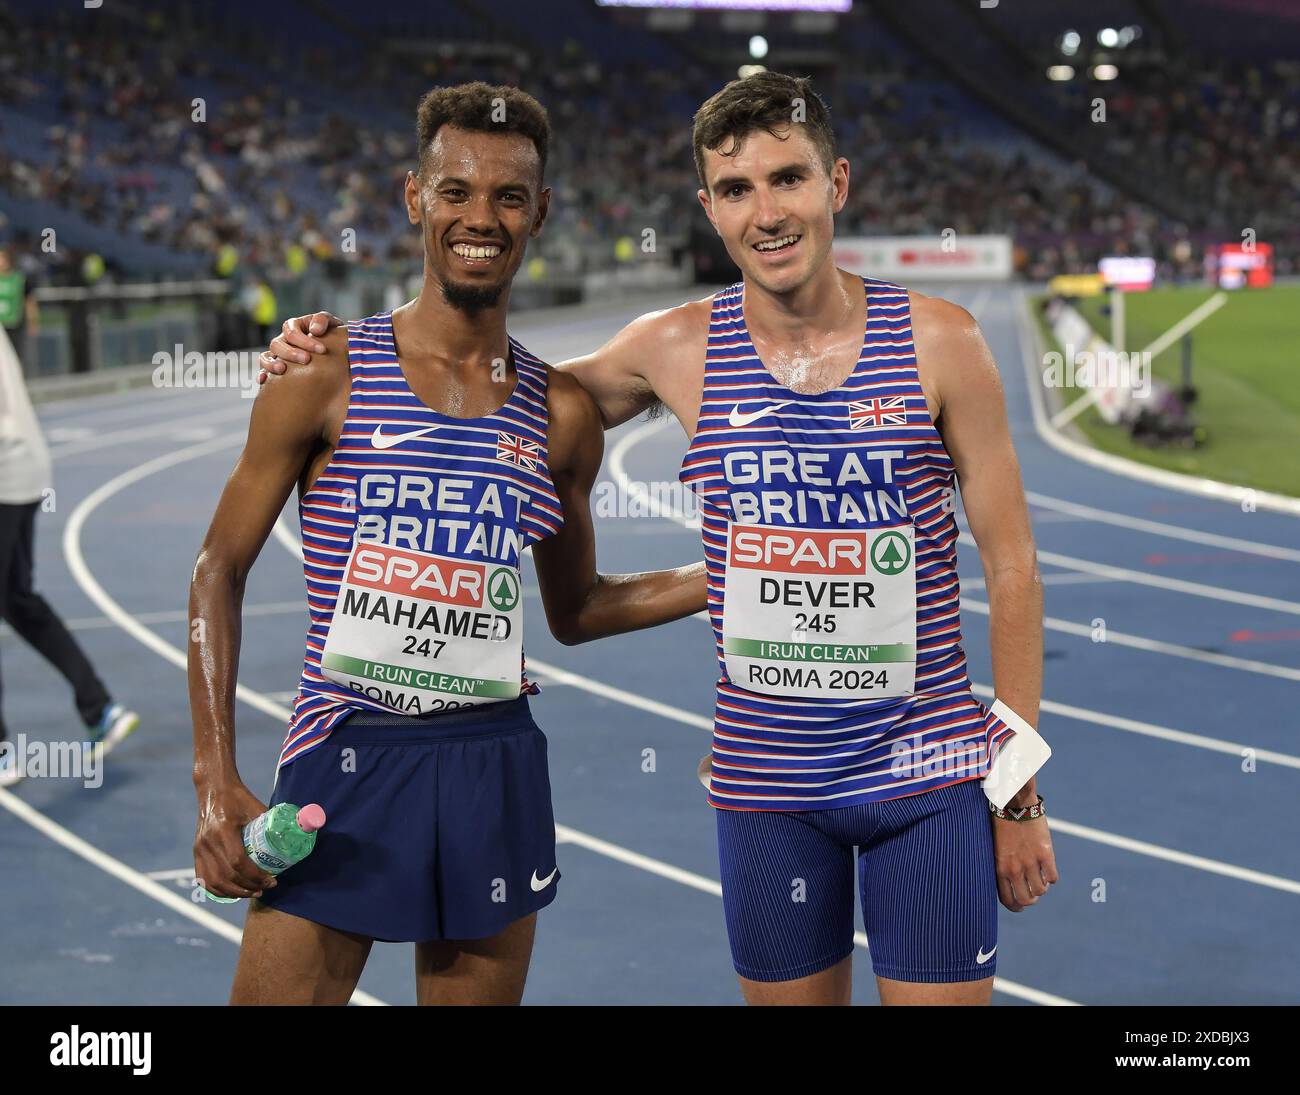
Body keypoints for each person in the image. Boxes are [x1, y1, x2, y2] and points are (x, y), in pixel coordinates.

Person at [262, 72, 1057, 1006]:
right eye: (735, 190)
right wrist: (333, 349)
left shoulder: (941, 340)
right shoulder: (673, 347)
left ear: (836, 184)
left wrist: (1018, 791)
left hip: (928, 777)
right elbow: (509, 396)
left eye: (788, 179)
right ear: (708, 210)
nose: (767, 212)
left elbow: (1012, 566)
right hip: (767, 791)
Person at [189, 83, 705, 1006]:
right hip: (343, 754)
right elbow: (217, 567)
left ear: (539, 211)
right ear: (414, 198)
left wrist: (728, 573)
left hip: (489, 762)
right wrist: (214, 772)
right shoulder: (323, 371)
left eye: (509, 196)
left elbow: (576, 609)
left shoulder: (561, 416)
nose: (482, 217)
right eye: (456, 190)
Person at [0, 322, 139, 788]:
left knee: (17, 599)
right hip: (22, 469)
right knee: (18, 600)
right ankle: (100, 707)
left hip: (5, 474)